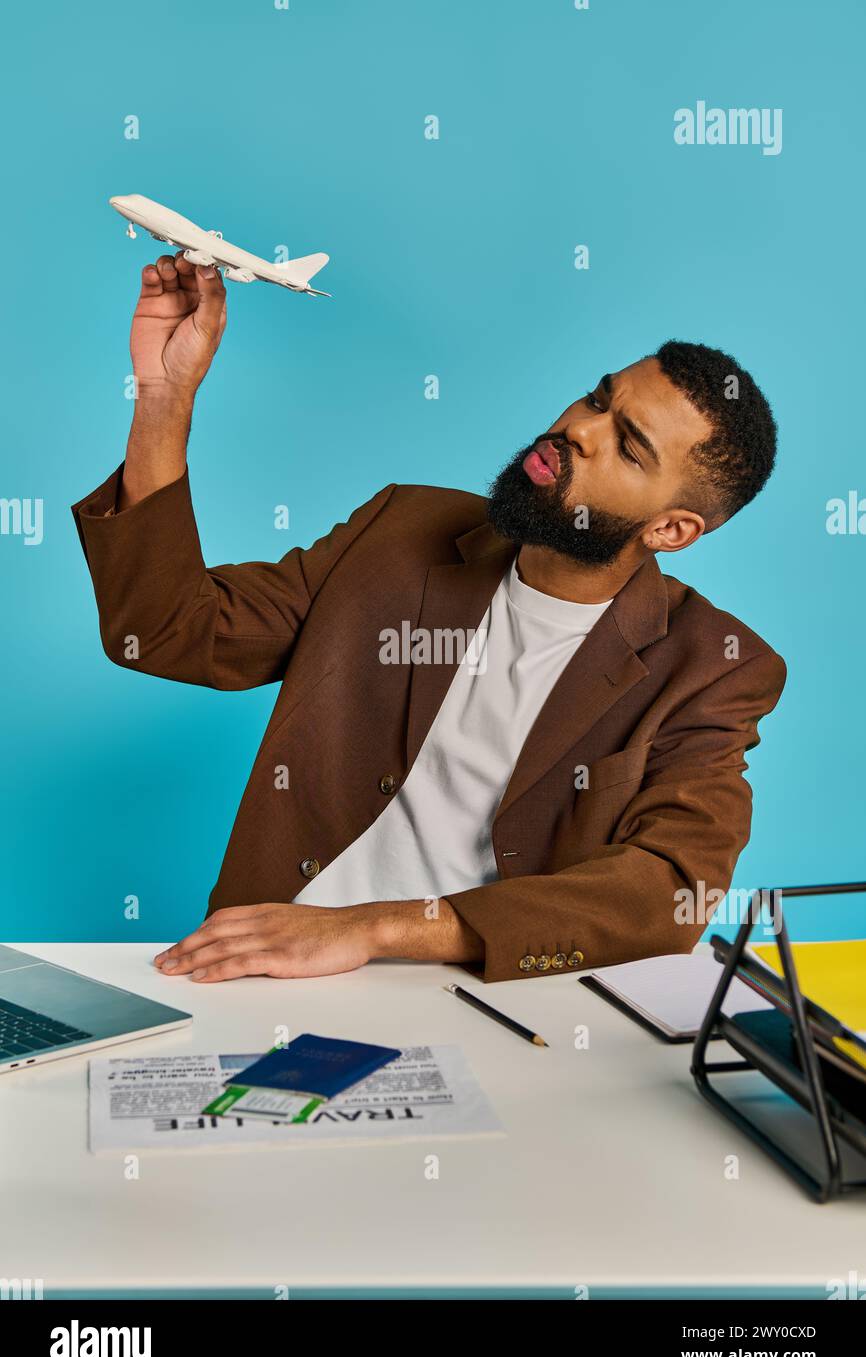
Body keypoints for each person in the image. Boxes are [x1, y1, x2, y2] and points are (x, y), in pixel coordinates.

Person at [72, 253, 785, 985]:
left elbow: (666, 893)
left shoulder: (715, 668)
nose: (580, 429)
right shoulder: (402, 528)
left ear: (670, 530)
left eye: (628, 446)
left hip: (483, 994)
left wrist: (374, 927)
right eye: (598, 399)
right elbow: (164, 629)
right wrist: (164, 396)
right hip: (262, 971)